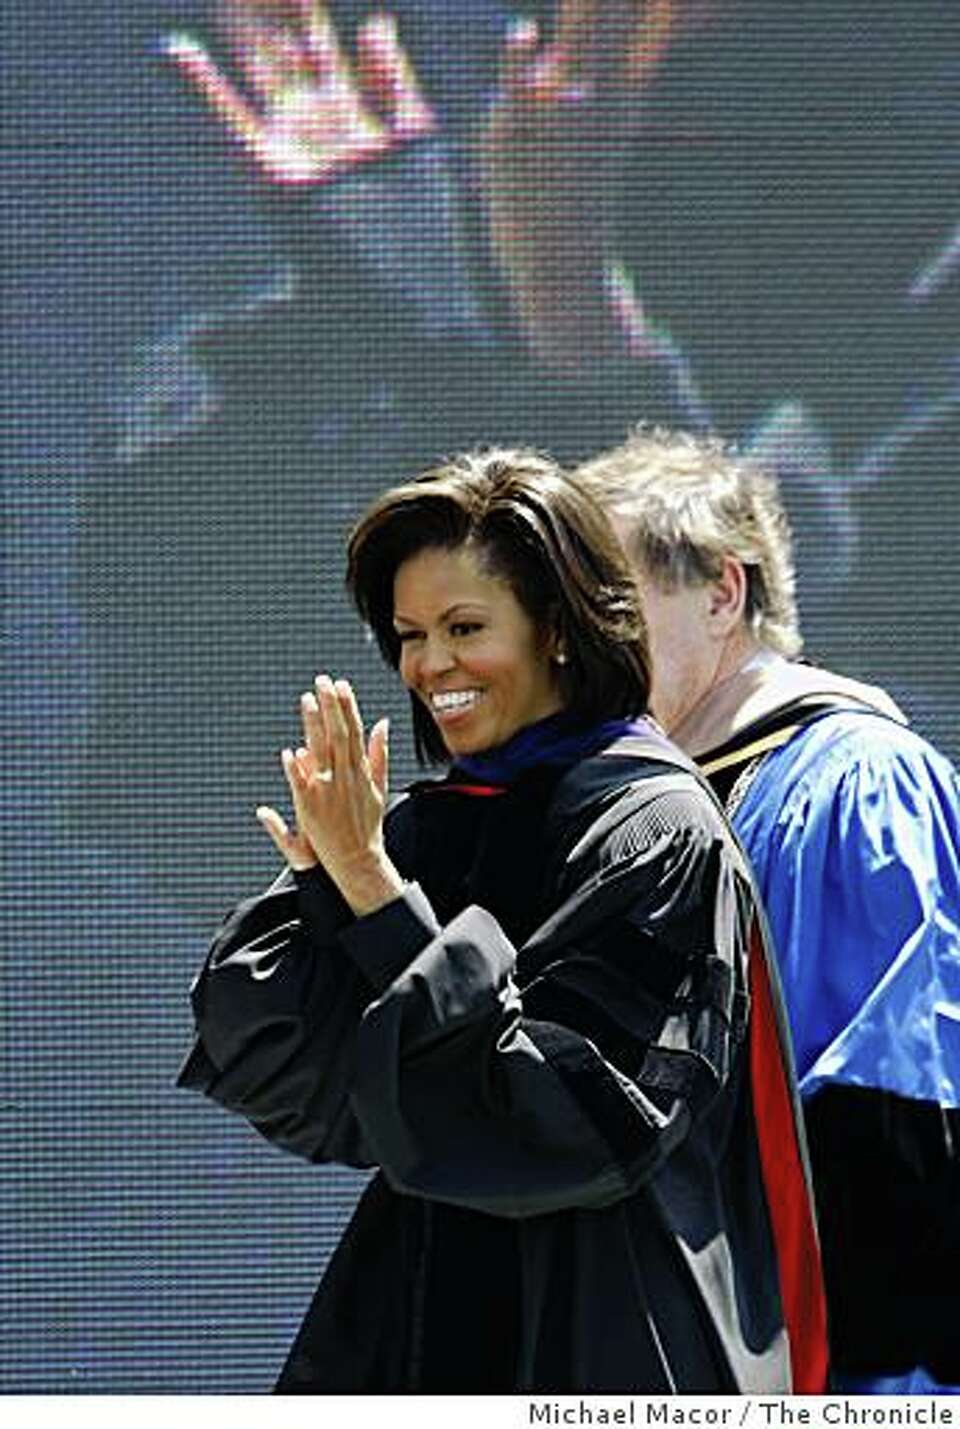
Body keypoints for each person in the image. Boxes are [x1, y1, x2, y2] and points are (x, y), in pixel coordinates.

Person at [177, 447, 827, 1393]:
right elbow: (292, 1077)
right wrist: (325, 883)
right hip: (420, 1326)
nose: (430, 664)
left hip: (608, 1340)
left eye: (464, 627)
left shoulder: (656, 831)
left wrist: (378, 898)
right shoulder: (437, 821)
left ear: (558, 627)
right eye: (409, 634)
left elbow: (571, 1122)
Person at [577, 425, 960, 1394]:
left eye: (611, 604)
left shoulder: (859, 783)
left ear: (721, 591)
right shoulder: (652, 812)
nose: (578, 647)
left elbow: (898, 1125)